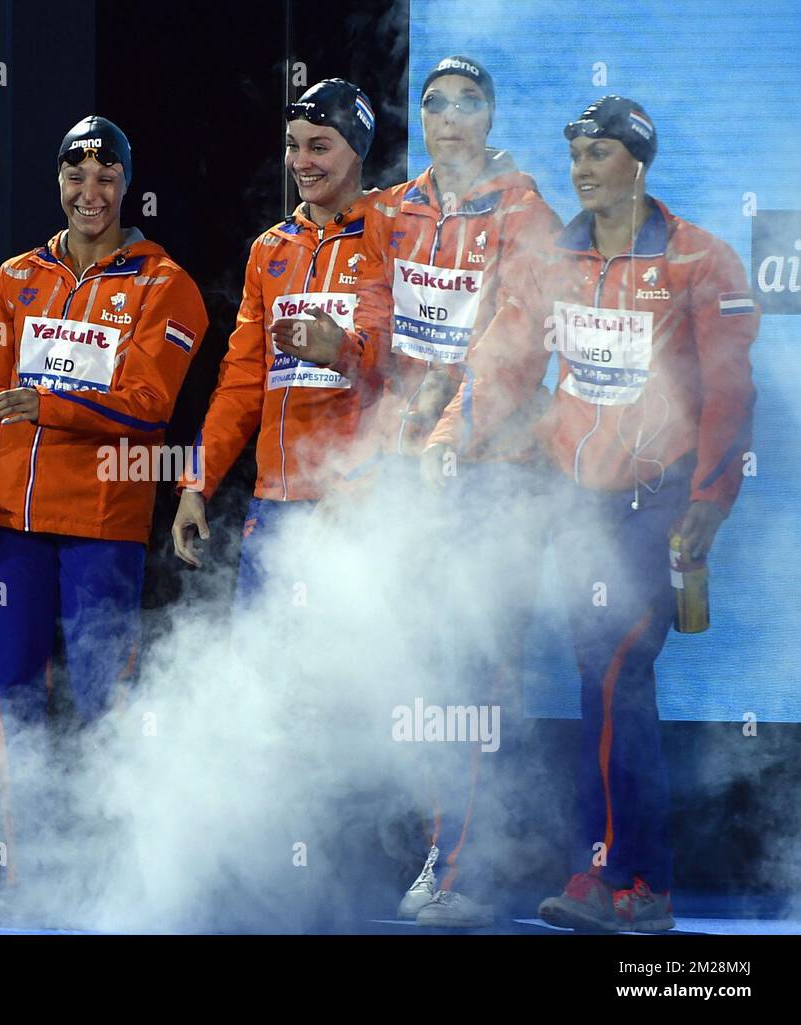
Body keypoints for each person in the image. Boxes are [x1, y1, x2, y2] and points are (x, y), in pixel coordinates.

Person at [429, 96, 759, 931]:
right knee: (605, 685)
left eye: (602, 152)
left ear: (639, 164)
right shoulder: (554, 257)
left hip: (655, 510)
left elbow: (728, 395)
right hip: (575, 508)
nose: (582, 167)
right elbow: (508, 363)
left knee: (614, 676)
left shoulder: (699, 259)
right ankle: (624, 879)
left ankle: (622, 882)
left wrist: (710, 506)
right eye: (576, 151)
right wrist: (443, 437)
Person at [0, 115, 208, 913]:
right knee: (10, 697)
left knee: (103, 704)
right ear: (58, 181)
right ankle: (29, 881)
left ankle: (119, 882)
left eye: (107, 176)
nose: (91, 192)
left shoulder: (164, 283)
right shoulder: (19, 274)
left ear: (127, 184)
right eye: (76, 175)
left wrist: (47, 403)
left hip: (100, 527)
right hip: (14, 526)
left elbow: (148, 406)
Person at [352, 55, 561, 928]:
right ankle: (452, 849)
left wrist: (442, 438)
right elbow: (371, 327)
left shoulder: (527, 212)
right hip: (410, 472)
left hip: (492, 479)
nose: (448, 118)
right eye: (434, 103)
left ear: (489, 116)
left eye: (467, 103)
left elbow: (513, 350)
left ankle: (465, 867)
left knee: (470, 676)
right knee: (423, 673)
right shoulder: (392, 210)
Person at [170, 79, 381, 604]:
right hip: (274, 504)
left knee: (342, 678)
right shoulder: (270, 249)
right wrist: (196, 482)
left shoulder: (393, 234)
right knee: (262, 674)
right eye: (293, 145)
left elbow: (408, 375)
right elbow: (241, 384)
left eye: (319, 146)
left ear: (358, 150)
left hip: (354, 501)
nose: (301, 161)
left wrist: (344, 350)